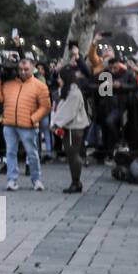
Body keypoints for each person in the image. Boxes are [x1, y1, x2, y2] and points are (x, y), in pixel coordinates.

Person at [0, 58, 52, 191]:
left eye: (26, 69)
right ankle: (11, 180)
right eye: (20, 69)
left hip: (28, 126)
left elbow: (46, 106)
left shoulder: (39, 86)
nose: (23, 72)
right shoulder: (9, 84)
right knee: (10, 152)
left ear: (32, 68)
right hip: (10, 124)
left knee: (32, 154)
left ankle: (36, 179)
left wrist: (33, 119)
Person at [51, 65, 90, 193]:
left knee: (73, 155)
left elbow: (68, 112)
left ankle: (76, 181)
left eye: (60, 78)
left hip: (74, 127)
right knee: (72, 155)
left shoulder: (73, 93)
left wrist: (56, 123)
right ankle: (75, 181)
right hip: (72, 127)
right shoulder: (70, 90)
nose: (58, 80)